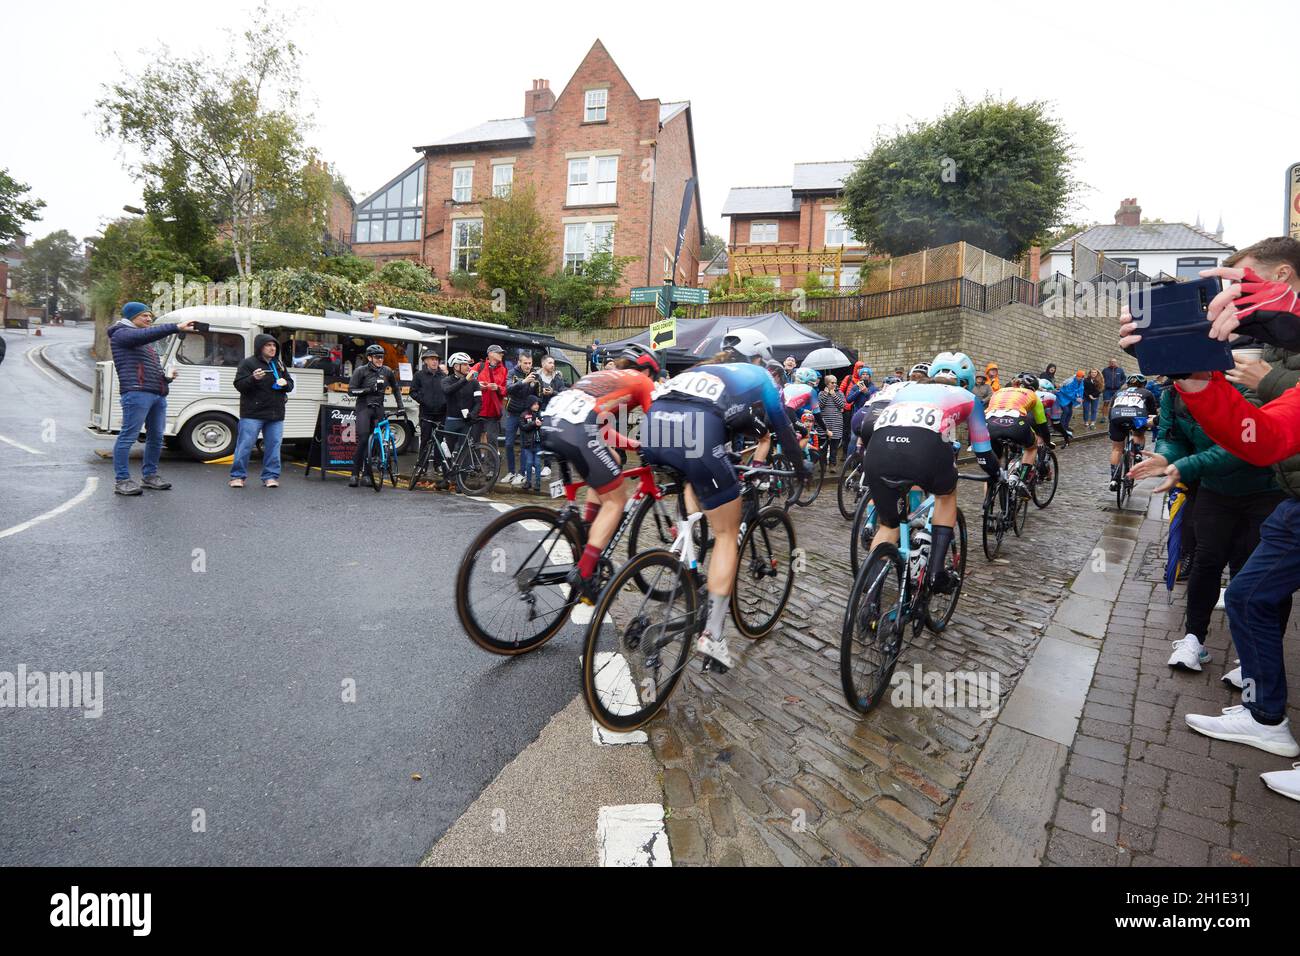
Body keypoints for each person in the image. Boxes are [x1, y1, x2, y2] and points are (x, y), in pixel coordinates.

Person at [641, 336, 808, 671]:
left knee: (694, 477)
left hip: (654, 429)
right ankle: (713, 636)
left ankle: (688, 557)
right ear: (760, 360)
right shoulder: (760, 378)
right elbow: (784, 433)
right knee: (727, 534)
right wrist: (801, 468)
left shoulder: (703, 369)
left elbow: (725, 424)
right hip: (698, 431)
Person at [1130, 367, 1287, 672]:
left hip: (1265, 490)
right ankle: (1193, 639)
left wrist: (1186, 466)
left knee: (1253, 570)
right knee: (1206, 560)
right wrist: (1166, 456)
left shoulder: (1240, 385)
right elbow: (1171, 435)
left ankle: (1255, 660)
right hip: (1215, 490)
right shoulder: (1172, 394)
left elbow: (1242, 445)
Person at [861, 351, 1001, 605]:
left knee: (888, 525)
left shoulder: (906, 390)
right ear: (966, 381)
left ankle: (869, 602)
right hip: (923, 451)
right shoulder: (969, 397)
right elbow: (982, 451)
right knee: (946, 496)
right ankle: (936, 573)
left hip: (879, 450)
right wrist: (995, 473)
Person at [541, 344, 661, 603]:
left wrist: (633, 445)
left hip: (551, 422)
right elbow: (659, 424)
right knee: (617, 498)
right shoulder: (643, 381)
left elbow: (602, 431)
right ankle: (585, 572)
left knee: (612, 460)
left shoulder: (598, 377)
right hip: (577, 429)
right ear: (648, 371)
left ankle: (587, 529)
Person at [107, 301, 197, 496]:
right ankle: (122, 480)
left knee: (156, 437)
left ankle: (150, 476)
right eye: (144, 316)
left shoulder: (144, 342)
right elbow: (144, 334)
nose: (149, 319)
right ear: (131, 317)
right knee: (128, 437)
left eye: (150, 315)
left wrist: (166, 378)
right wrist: (175, 327)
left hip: (156, 393)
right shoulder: (121, 334)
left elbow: (147, 366)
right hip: (136, 393)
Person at [229, 333, 295, 488]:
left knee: (274, 445)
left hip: (275, 412)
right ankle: (237, 476)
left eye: (274, 346)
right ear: (260, 347)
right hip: (253, 413)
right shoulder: (248, 363)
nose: (272, 348)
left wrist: (286, 383)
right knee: (245, 444)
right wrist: (253, 378)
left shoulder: (279, 364)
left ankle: (270, 476)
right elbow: (239, 385)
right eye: (268, 345)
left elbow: (290, 385)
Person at [985, 371, 1053, 497]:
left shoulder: (999, 392)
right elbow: (1042, 424)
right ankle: (1021, 481)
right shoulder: (1032, 395)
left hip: (990, 424)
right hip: (1015, 423)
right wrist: (1047, 441)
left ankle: (987, 504)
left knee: (994, 465)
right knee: (1031, 448)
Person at [347, 344, 401, 487]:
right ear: (370, 358)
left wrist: (401, 407)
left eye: (382, 357)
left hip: (379, 408)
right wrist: (369, 390)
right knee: (364, 439)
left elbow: (396, 389)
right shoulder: (361, 371)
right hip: (364, 407)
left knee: (376, 442)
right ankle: (354, 473)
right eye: (377, 357)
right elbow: (351, 391)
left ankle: (367, 475)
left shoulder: (387, 371)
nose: (380, 359)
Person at [1106, 374, 1158, 491]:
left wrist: (1112, 424)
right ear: (1143, 384)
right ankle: (1138, 452)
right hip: (1137, 417)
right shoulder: (1146, 392)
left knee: (1117, 449)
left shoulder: (1118, 392)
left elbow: (1110, 410)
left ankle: (1114, 479)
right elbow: (1152, 412)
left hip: (1117, 417)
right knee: (1138, 434)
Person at [503, 351, 542, 487]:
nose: (528, 366)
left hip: (527, 415)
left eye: (530, 363)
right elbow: (508, 389)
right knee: (508, 443)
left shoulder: (536, 375)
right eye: (525, 363)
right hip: (513, 412)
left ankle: (522, 473)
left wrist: (538, 391)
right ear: (519, 362)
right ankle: (511, 471)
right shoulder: (512, 373)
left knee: (526, 445)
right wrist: (524, 381)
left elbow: (539, 395)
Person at [410, 349, 446, 466]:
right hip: (426, 413)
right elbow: (413, 392)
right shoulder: (419, 375)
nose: (435, 362)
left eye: (436, 359)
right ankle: (422, 465)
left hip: (441, 413)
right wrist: (423, 400)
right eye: (432, 359)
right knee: (425, 440)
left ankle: (438, 465)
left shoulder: (444, 376)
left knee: (439, 441)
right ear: (425, 361)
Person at [441, 352, 478, 465]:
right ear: (456, 366)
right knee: (447, 450)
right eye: (465, 364)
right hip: (451, 420)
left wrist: (473, 414)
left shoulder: (474, 382)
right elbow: (448, 390)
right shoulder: (446, 380)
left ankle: (462, 478)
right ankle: (446, 478)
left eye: (468, 364)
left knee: (465, 451)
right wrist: (465, 380)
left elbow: (479, 401)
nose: (469, 367)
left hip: (466, 422)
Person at [470, 344, 509, 450]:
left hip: (493, 412)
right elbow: (468, 382)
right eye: (499, 352)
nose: (501, 354)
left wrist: (497, 388)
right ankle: (473, 464)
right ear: (490, 354)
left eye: (502, 353)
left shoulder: (504, 370)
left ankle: (492, 466)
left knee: (492, 440)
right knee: (474, 440)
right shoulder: (479, 366)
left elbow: (507, 390)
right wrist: (478, 386)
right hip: (478, 410)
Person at [819, 373, 846, 468]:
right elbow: (820, 406)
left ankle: (832, 465)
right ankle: (822, 466)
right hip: (824, 424)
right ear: (827, 384)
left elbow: (842, 405)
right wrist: (826, 394)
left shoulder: (840, 393)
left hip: (836, 424)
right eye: (832, 383)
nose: (835, 384)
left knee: (834, 448)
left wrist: (834, 395)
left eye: (835, 383)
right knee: (823, 448)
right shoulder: (821, 393)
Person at [518, 396, 544, 493]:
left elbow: (544, 426)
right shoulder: (524, 415)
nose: (537, 406)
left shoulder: (540, 414)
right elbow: (523, 427)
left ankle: (537, 483)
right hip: (528, 444)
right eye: (534, 404)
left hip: (538, 443)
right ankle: (528, 482)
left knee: (537, 463)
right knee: (528, 463)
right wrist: (534, 423)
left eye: (537, 404)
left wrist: (541, 424)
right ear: (530, 404)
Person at [1057, 370, 1085, 436]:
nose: (1081, 378)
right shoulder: (1071, 381)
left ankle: (1066, 426)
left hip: (1069, 399)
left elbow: (1081, 389)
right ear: (1077, 376)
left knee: (1070, 412)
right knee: (1066, 411)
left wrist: (1080, 397)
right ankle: (1061, 428)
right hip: (1062, 396)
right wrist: (1076, 398)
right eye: (1080, 377)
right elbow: (1067, 392)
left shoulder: (1081, 381)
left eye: (1082, 377)